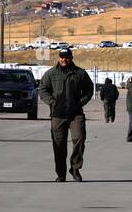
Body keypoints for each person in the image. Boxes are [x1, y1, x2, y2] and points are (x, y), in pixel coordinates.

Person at [38, 46, 93, 182]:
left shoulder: (80, 73)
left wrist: (80, 102)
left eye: (67, 57)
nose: (64, 60)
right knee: (59, 144)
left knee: (79, 138)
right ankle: (61, 173)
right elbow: (43, 89)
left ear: (71, 58)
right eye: (62, 57)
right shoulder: (51, 73)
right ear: (59, 58)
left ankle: (75, 168)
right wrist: (51, 102)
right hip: (58, 114)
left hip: (76, 114)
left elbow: (89, 89)